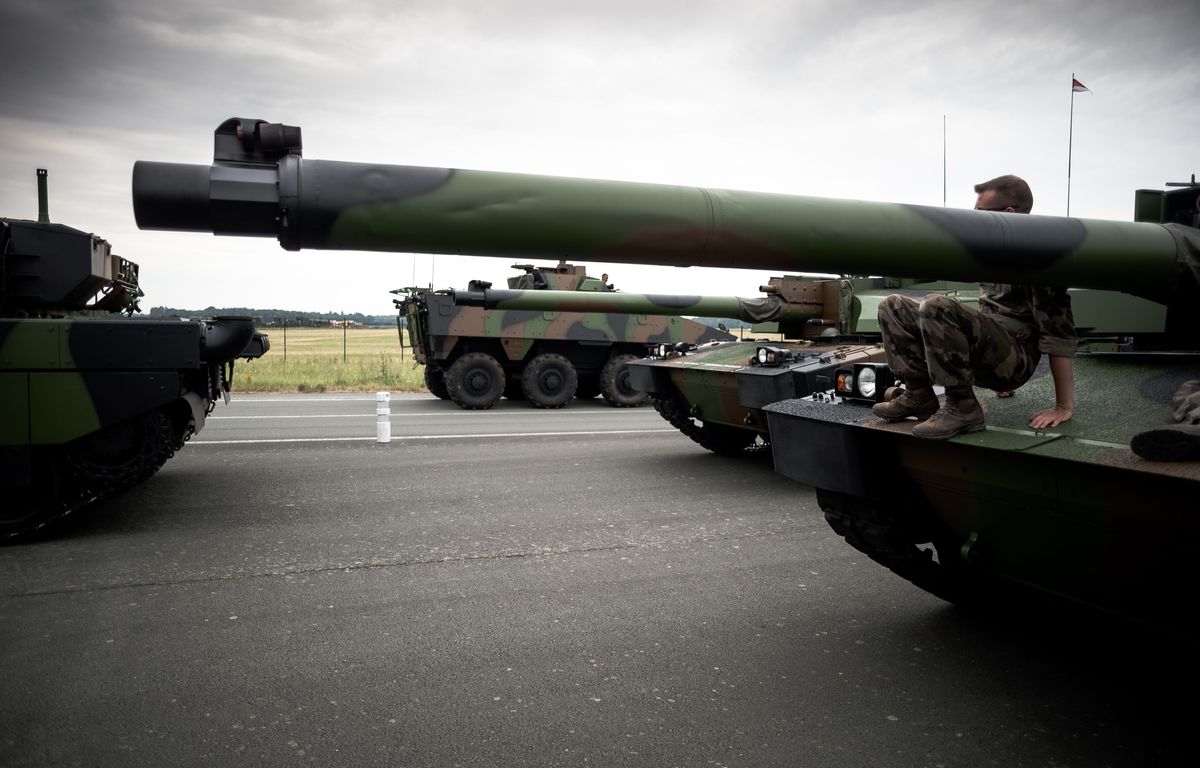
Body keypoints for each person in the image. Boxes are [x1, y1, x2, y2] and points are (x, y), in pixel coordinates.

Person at [871, 175, 1077, 439]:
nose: (974, 219)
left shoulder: (1040, 257)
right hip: (992, 350)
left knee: (937, 305)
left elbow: (1058, 336)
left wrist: (1063, 407)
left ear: (1010, 213)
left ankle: (963, 408)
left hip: (1016, 359)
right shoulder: (991, 252)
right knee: (893, 306)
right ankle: (919, 396)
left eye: (980, 213)